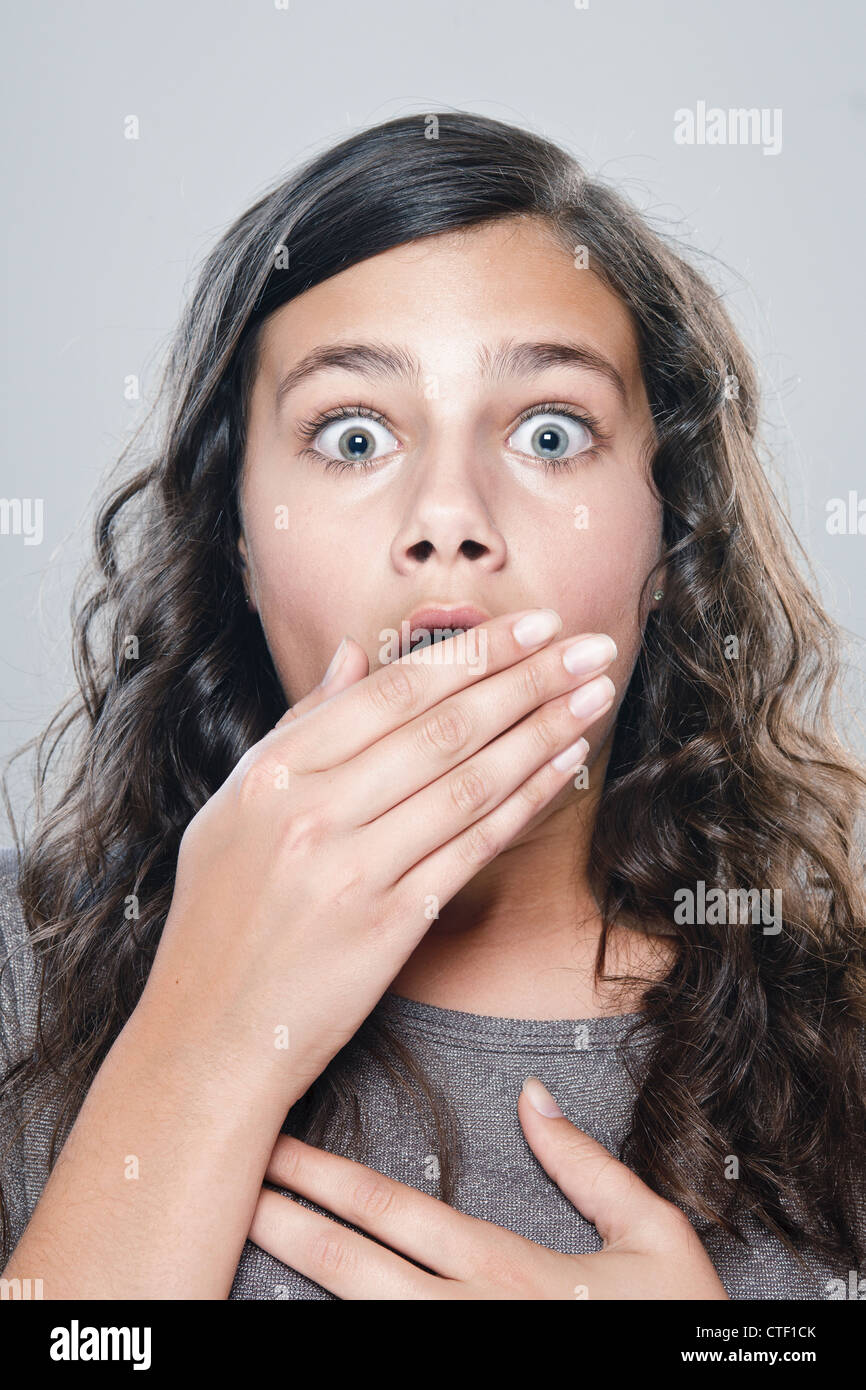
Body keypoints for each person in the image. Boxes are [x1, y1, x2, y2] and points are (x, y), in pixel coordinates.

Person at [1, 111, 864, 1300]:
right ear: (240, 541)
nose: (447, 513)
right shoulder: (18, 981)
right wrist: (194, 1051)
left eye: (548, 431)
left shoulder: (847, 1034)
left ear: (666, 542)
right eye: (353, 436)